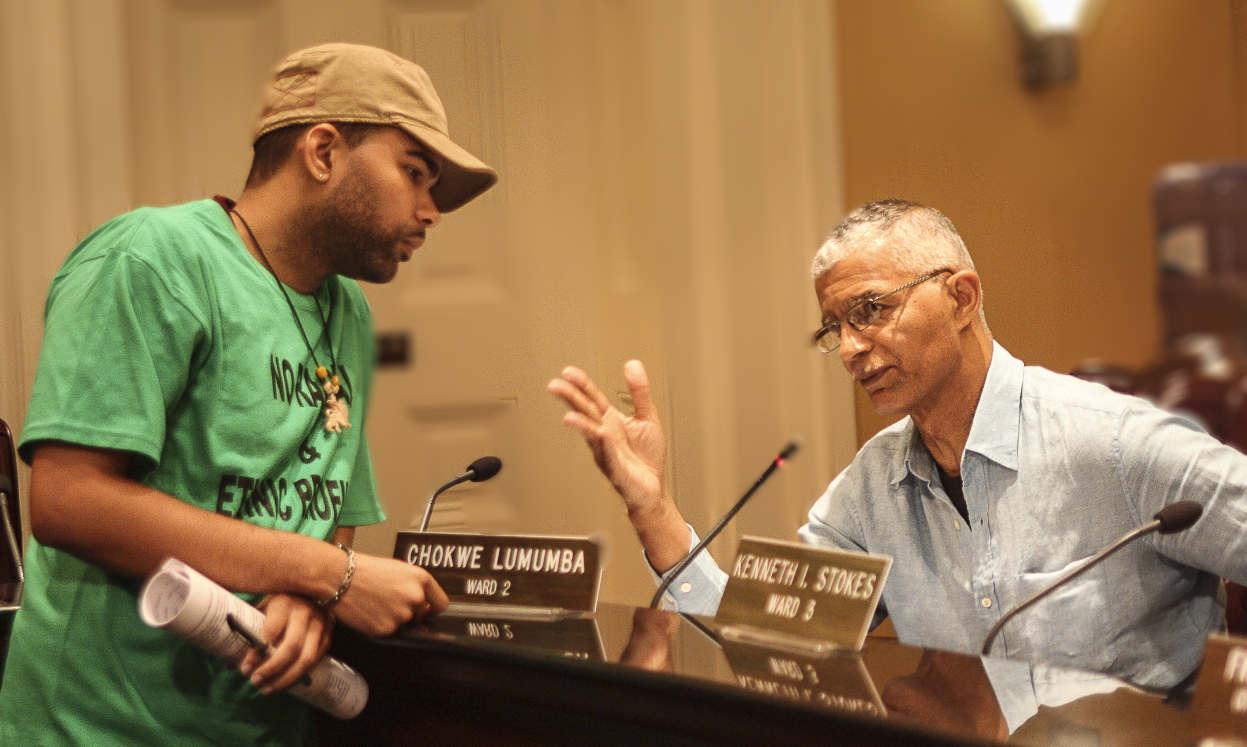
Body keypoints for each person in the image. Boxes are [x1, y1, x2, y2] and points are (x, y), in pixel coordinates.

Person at [0, 43, 496, 746]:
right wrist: (335, 575)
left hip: (259, 727)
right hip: (98, 729)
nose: (430, 210)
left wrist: (313, 593)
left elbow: (330, 504)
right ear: (322, 151)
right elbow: (69, 501)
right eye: (413, 173)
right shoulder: (151, 258)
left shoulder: (349, 311)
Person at [548, 199, 1247, 690]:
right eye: (834, 328)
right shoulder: (869, 489)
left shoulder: (1115, 444)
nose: (852, 347)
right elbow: (762, 638)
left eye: (870, 310)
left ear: (962, 298)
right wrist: (653, 509)